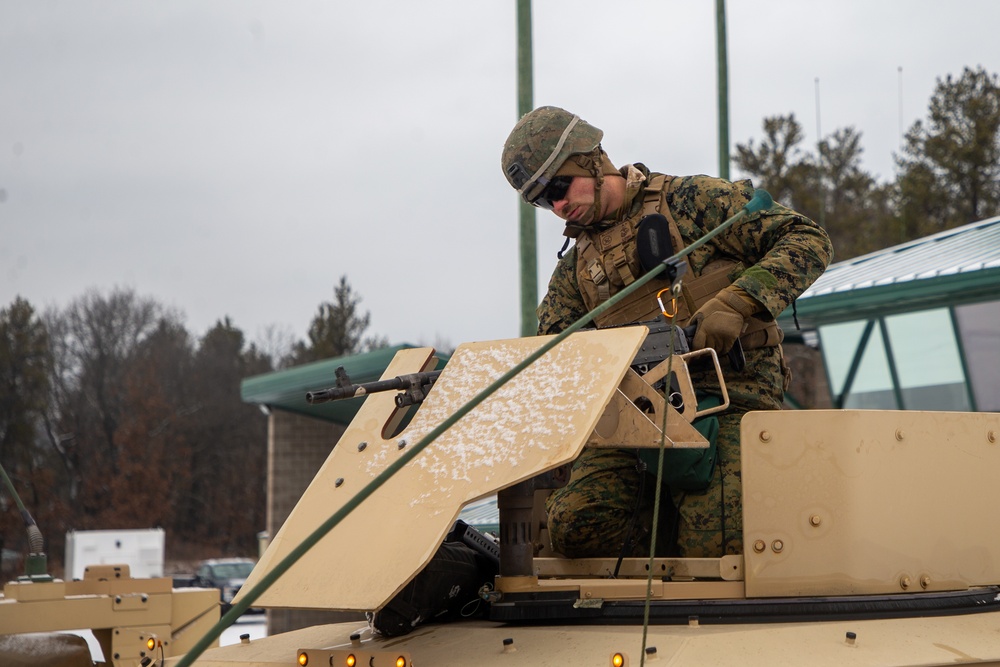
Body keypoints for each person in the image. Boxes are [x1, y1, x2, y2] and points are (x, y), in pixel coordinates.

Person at [501, 106, 833, 559]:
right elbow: (555, 358)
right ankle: (663, 524)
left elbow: (806, 238)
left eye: (560, 186)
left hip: (730, 394)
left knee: (718, 536)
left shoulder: (690, 202)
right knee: (577, 526)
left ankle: (687, 524)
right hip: (637, 417)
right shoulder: (575, 271)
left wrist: (740, 301)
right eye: (543, 200)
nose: (558, 205)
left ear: (594, 161)